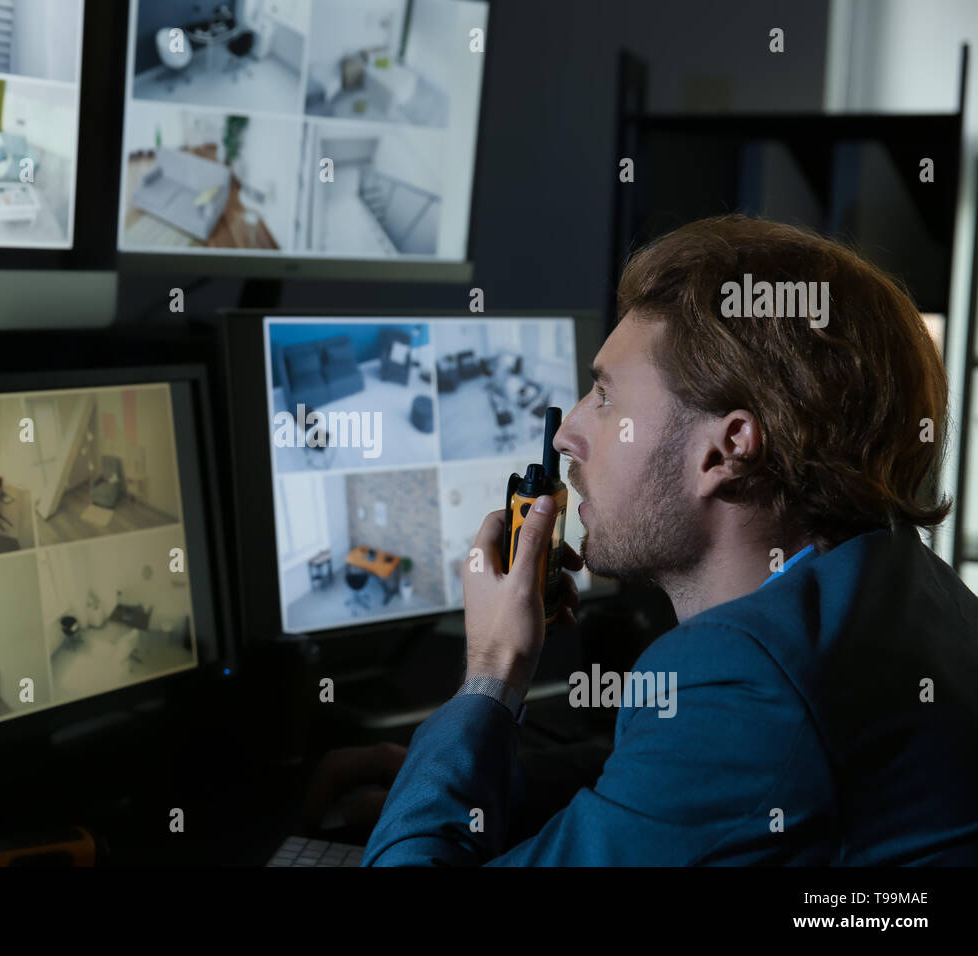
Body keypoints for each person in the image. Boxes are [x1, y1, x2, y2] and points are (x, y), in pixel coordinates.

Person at [351, 215, 978, 865]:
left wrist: (490, 674)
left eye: (604, 395)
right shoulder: (912, 589)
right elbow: (689, 782)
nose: (567, 433)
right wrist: (467, 778)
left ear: (726, 449)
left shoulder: (744, 674)